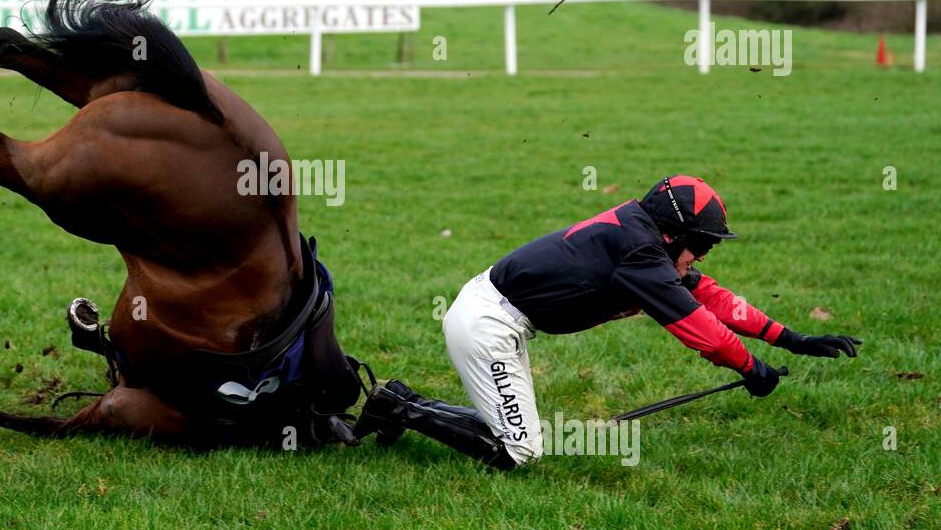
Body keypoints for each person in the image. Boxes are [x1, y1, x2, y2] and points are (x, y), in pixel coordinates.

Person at [353, 176, 861, 469]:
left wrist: (792, 340)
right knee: (520, 452)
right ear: (670, 235)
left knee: (518, 438)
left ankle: (400, 403)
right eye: (702, 244)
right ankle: (400, 405)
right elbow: (698, 328)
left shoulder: (646, 243)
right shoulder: (638, 252)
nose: (704, 255)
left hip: (493, 312)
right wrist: (751, 368)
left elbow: (709, 297)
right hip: (486, 324)